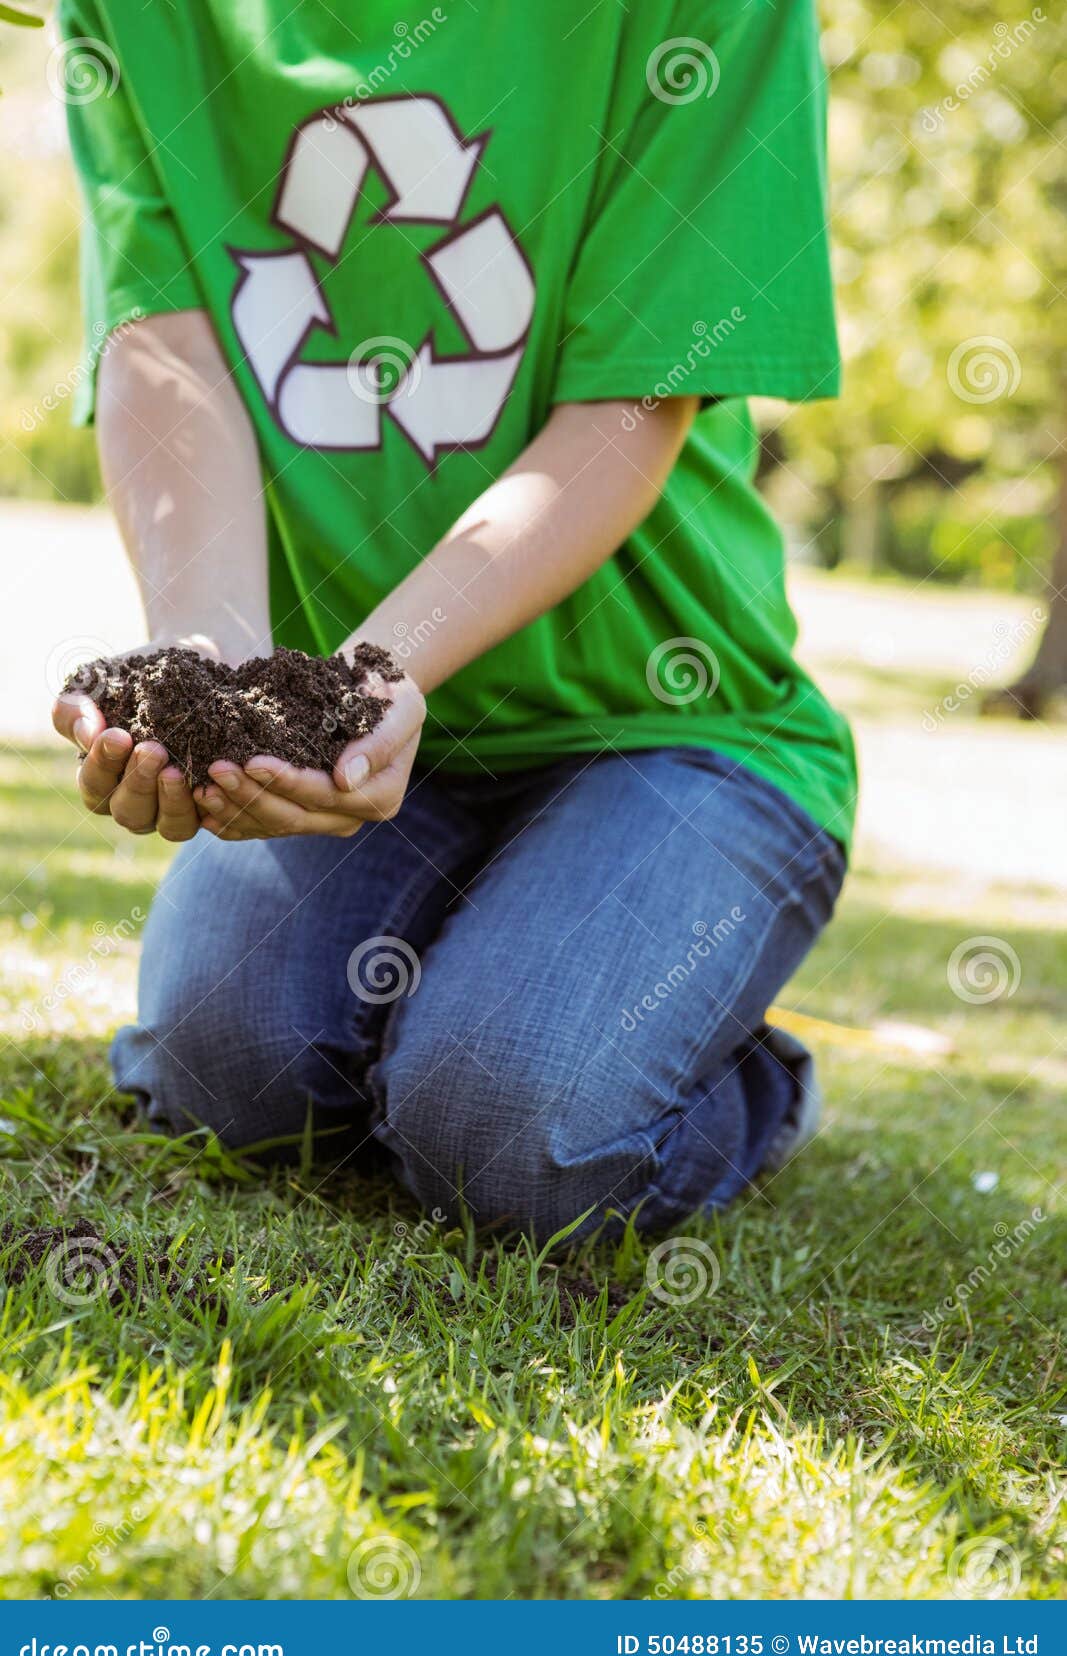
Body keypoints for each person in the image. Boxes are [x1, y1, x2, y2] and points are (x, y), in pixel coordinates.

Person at [53, 0, 856, 1241]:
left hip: (671, 730)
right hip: (368, 743)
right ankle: (484, 980)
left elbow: (629, 410)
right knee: (221, 1075)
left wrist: (375, 673)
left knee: (508, 1141)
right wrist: (217, 678)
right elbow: (164, 337)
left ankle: (738, 1076)